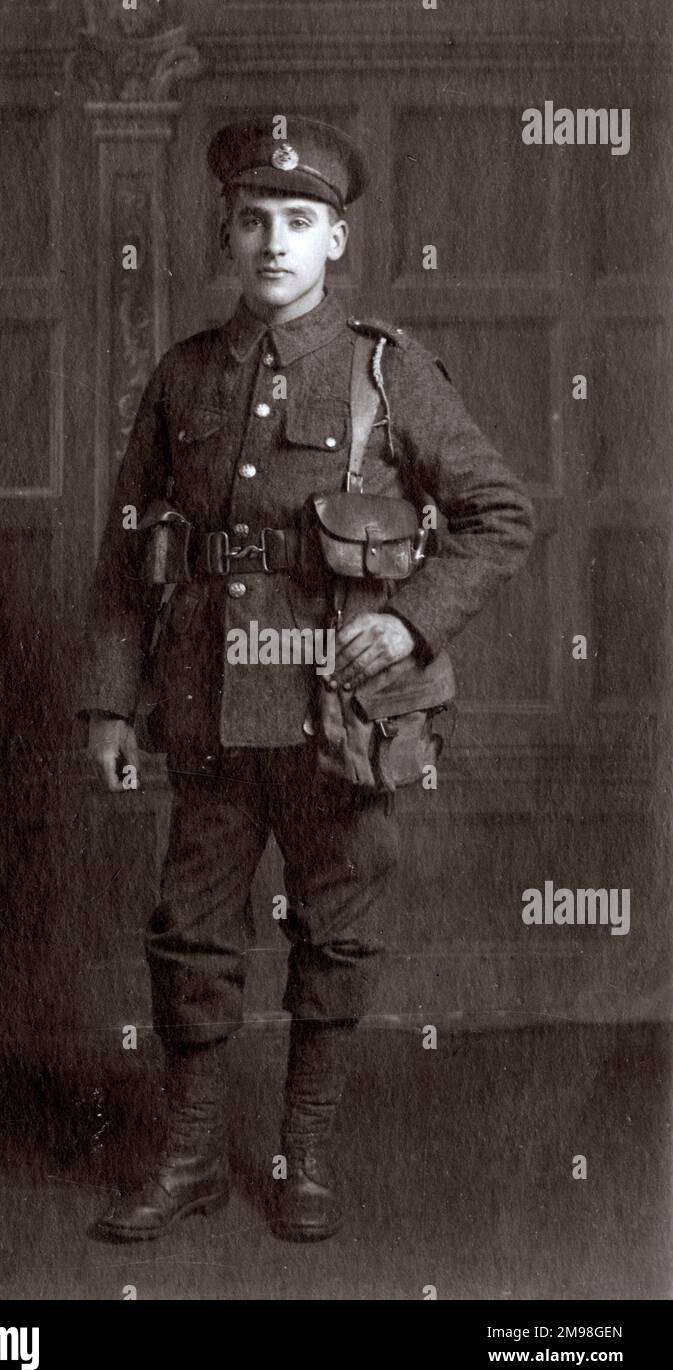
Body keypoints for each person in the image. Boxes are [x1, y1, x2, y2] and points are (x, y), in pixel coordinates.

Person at [78, 114, 535, 1243]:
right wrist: (107, 702)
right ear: (224, 237)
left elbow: (497, 515)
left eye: (299, 222)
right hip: (208, 713)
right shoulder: (183, 377)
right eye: (252, 221)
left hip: (339, 715)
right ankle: (188, 1161)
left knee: (331, 939)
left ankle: (306, 1159)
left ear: (336, 239)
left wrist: (413, 626)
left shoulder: (388, 369)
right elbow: (126, 543)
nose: (273, 242)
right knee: (191, 936)